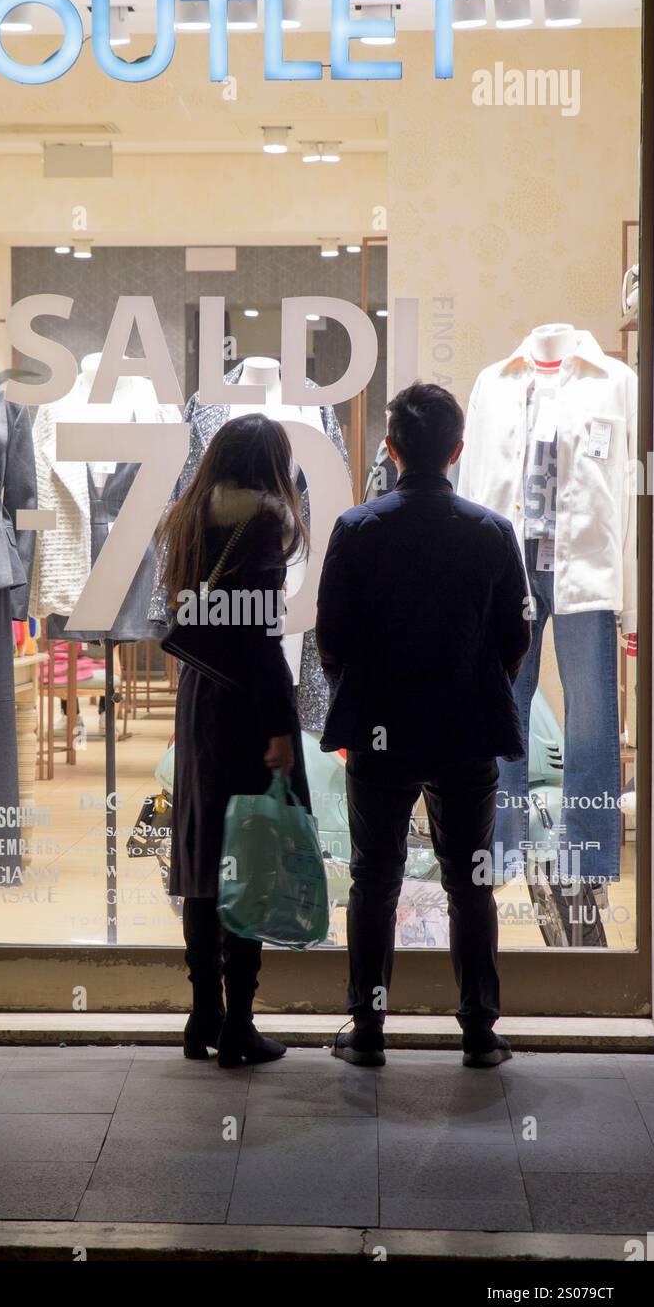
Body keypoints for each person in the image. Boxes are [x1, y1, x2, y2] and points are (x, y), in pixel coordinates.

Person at [316, 381, 531, 1068]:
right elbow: (512, 640)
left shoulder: (356, 528)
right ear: (458, 451)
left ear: (390, 448)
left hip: (381, 726)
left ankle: (368, 1032)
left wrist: (358, 703)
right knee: (469, 881)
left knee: (372, 879)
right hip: (465, 726)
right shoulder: (491, 531)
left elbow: (331, 638)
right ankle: (478, 1032)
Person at [159, 414, 311, 1067]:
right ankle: (239, 1025)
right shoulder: (264, 527)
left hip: (199, 699)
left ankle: (203, 1018)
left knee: (201, 855)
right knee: (248, 857)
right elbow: (260, 643)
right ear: (270, 466)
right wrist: (279, 728)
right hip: (249, 708)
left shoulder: (188, 519)